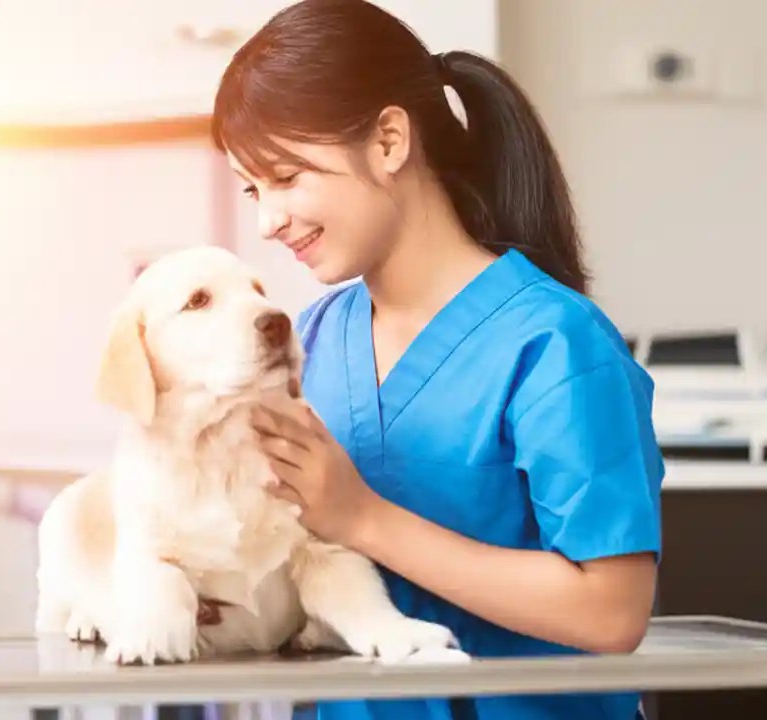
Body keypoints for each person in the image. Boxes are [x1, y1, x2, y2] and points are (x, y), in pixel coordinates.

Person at [212, 1, 664, 718]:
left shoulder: (554, 343)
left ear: (389, 140)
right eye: (252, 188)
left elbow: (612, 614)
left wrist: (362, 518)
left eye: (288, 177)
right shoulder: (317, 337)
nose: (269, 220)